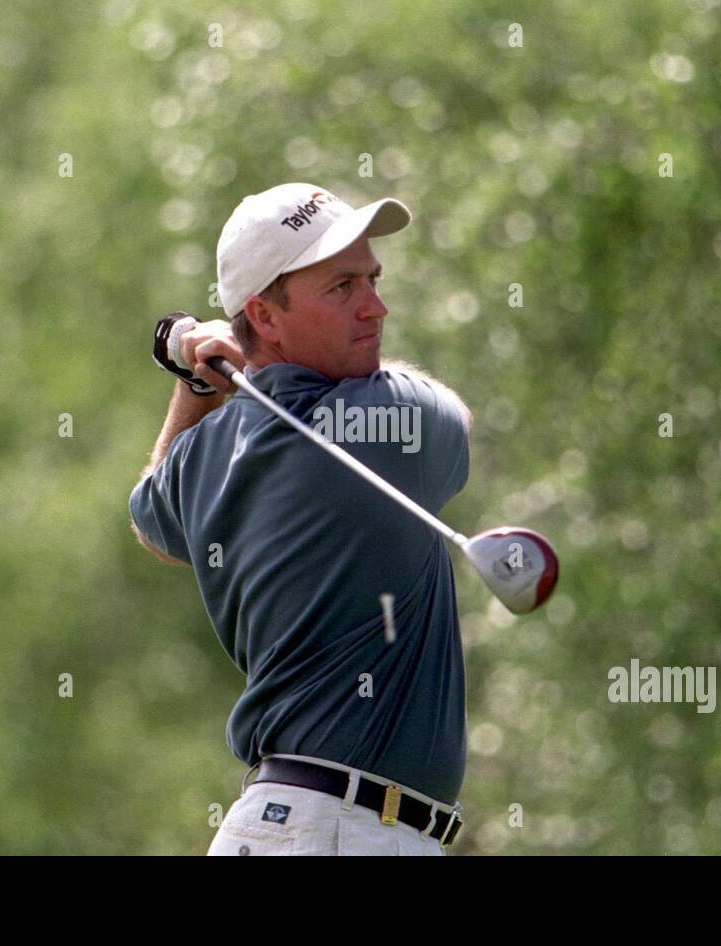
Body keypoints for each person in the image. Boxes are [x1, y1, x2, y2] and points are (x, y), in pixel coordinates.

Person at [129, 182, 472, 855]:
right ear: (266, 312)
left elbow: (152, 520)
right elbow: (457, 420)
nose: (376, 307)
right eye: (341, 287)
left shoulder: (206, 452)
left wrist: (195, 383)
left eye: (372, 279)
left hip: (303, 825)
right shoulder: (388, 422)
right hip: (336, 830)